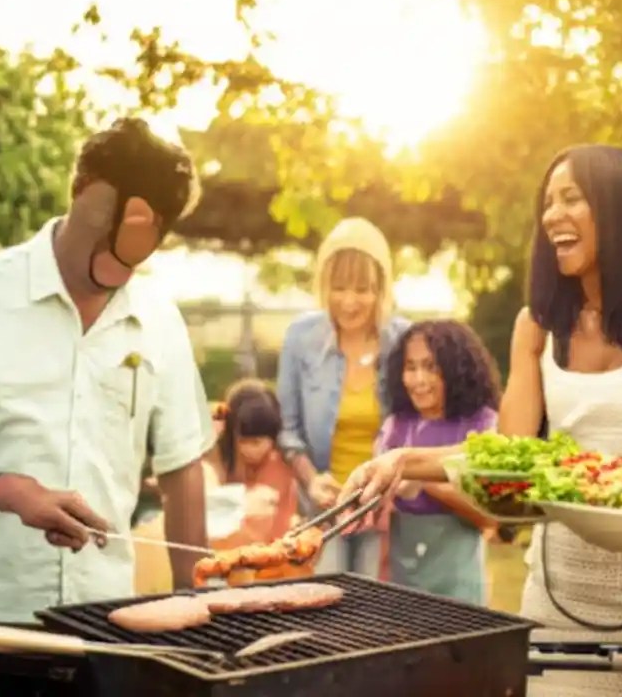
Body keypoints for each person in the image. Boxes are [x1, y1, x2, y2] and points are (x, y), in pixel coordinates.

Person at [342, 145, 622, 696]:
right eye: (549, 202)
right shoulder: (538, 326)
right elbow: (510, 454)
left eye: (571, 198)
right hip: (560, 598)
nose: (552, 216)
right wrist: (402, 460)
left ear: (618, 208)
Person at [0, 117, 214, 693]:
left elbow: (180, 465)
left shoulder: (159, 319)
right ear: (80, 189)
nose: (121, 261)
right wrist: (1, 489)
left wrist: (193, 607)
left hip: (102, 623)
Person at [276, 217, 409, 577]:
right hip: (325, 507)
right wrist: (311, 479)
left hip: (382, 508)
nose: (349, 302)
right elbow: (288, 431)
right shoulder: (301, 338)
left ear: (381, 288)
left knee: (373, 614)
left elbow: (415, 425)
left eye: (362, 289)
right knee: (329, 603)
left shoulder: (402, 340)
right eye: (339, 287)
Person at [379, 320, 500, 604]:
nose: (419, 379)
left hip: (458, 578)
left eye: (431, 367)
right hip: (403, 581)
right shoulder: (396, 426)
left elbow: (489, 515)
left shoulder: (482, 424)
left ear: (457, 370)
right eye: (411, 367)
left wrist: (423, 481)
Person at [205, 379, 301, 548]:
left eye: (257, 442)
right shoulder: (215, 453)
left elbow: (275, 528)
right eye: (244, 441)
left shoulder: (277, 465)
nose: (250, 449)